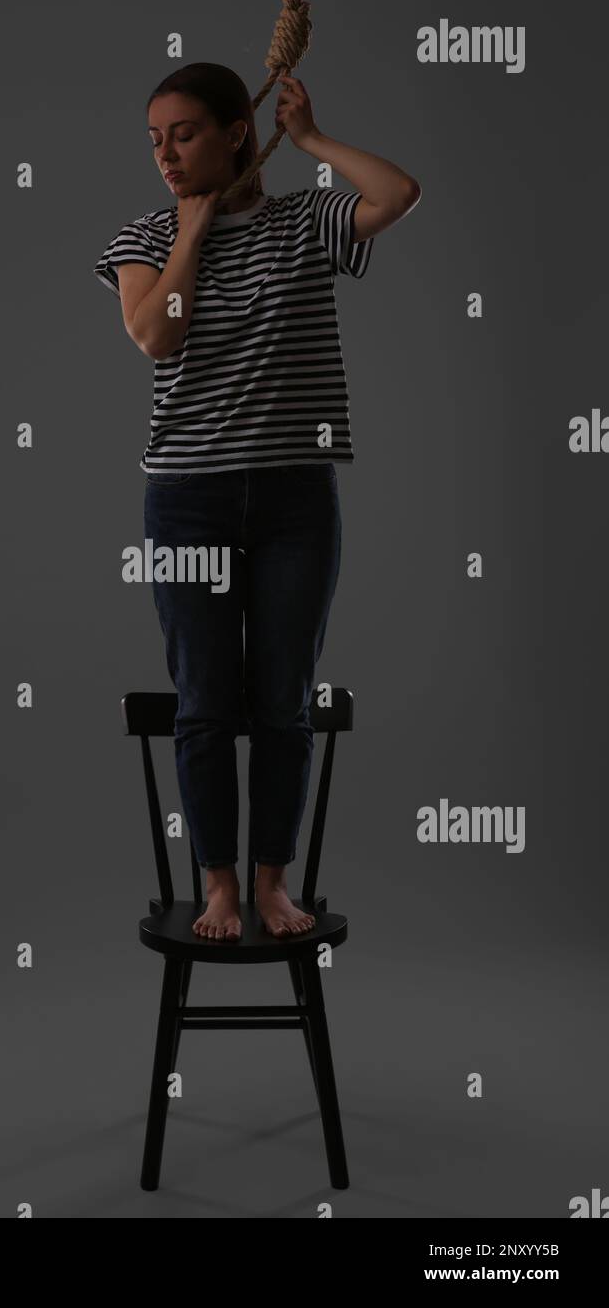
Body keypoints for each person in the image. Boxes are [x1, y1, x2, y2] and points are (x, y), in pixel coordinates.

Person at [93, 63, 420, 942]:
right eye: (155, 139)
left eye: (185, 133)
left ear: (240, 130)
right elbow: (157, 335)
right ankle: (220, 889)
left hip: (293, 501)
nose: (165, 153)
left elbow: (399, 193)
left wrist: (312, 141)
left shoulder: (306, 221)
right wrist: (190, 235)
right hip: (187, 503)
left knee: (282, 698)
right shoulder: (145, 235)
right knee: (204, 699)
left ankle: (271, 884)